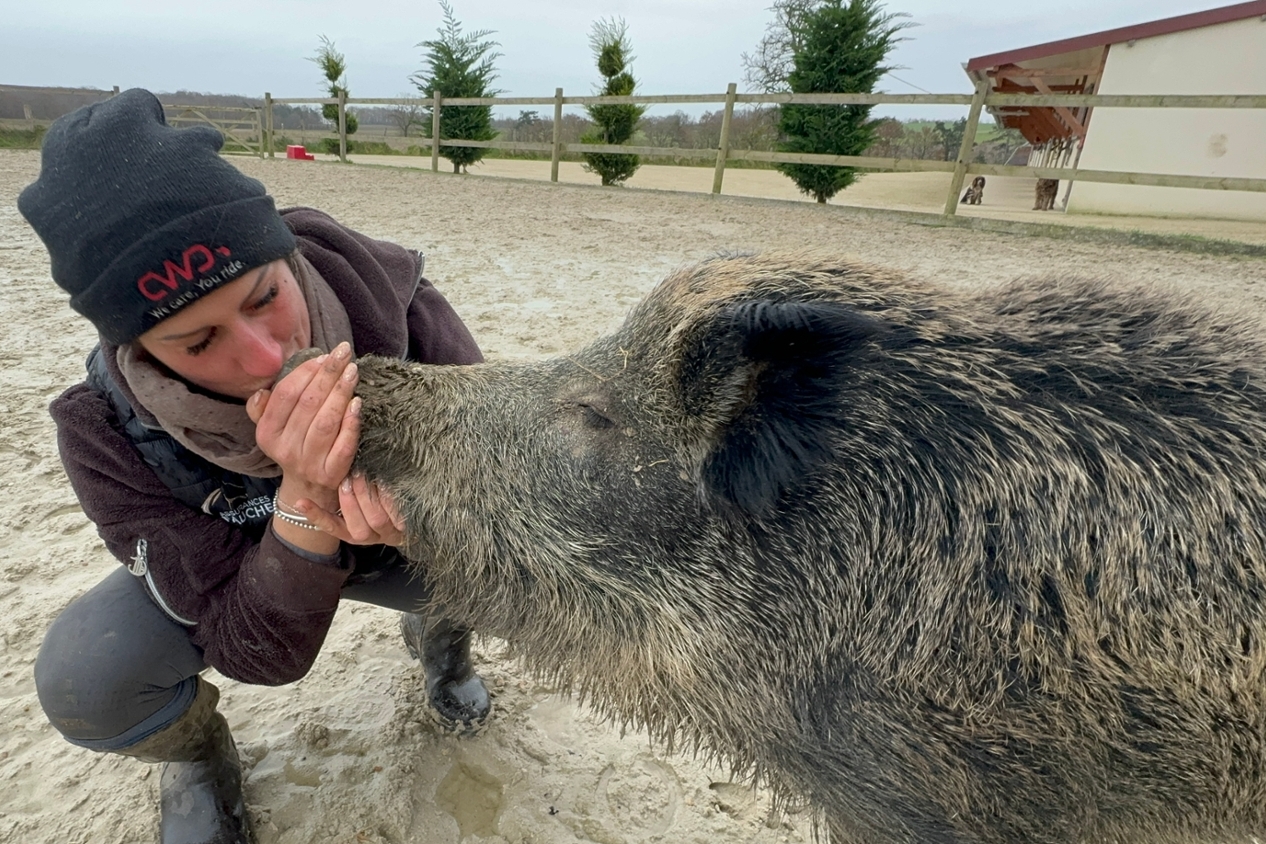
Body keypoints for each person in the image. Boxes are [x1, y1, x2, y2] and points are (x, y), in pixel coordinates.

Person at [18, 88, 491, 844]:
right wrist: (306, 502)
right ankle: (198, 757)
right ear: (138, 349)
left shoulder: (396, 302)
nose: (266, 357)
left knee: (514, 570)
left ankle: (444, 648)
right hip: (248, 581)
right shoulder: (103, 432)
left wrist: (427, 521)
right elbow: (259, 656)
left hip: (399, 551)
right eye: (199, 342)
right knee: (88, 678)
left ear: (283, 254)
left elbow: (502, 487)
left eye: (265, 296)